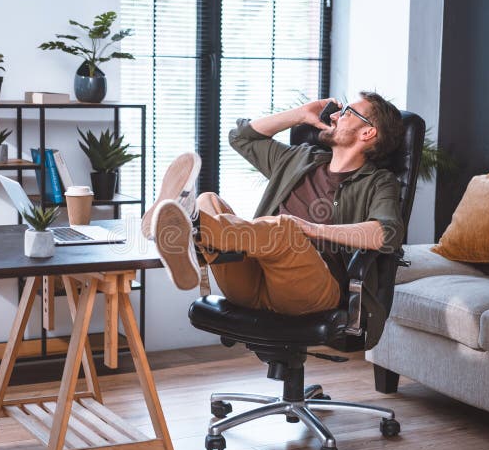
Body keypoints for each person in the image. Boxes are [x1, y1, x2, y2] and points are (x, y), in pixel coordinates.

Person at [142, 92, 406, 316]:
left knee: (284, 228)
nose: (334, 115)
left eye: (347, 112)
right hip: (251, 277)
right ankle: (194, 230)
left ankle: (193, 230)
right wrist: (300, 114)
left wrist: (310, 228)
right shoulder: (300, 158)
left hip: (310, 289)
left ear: (368, 132)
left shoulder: (379, 182)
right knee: (208, 199)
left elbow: (388, 234)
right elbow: (241, 138)